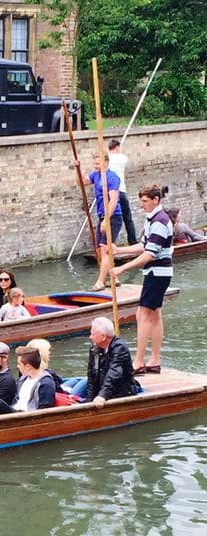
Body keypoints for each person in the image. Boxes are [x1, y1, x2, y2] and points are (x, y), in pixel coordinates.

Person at [110, 184, 173, 375]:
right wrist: (119, 250)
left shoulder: (160, 222)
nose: (142, 205)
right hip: (157, 274)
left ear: (156, 200)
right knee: (153, 315)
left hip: (157, 273)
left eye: (145, 201)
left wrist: (122, 268)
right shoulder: (153, 220)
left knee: (142, 315)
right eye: (141, 201)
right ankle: (154, 360)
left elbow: (149, 255)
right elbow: (143, 245)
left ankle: (139, 362)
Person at [77, 153, 123, 291]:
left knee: (105, 249)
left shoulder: (112, 177)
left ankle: (101, 281)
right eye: (94, 163)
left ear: (106, 163)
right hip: (103, 216)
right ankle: (114, 278)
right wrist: (77, 169)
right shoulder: (96, 175)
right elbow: (81, 183)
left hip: (113, 216)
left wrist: (107, 220)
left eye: (98, 163)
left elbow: (113, 201)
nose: (95, 166)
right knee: (98, 249)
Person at [0, 344, 56, 417]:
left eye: (19, 364)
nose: (17, 366)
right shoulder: (23, 379)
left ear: (28, 367)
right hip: (14, 411)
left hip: (27, 416)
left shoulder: (45, 383)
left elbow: (45, 412)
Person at [84, 316, 138, 409]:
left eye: (92, 334)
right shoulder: (94, 349)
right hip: (101, 386)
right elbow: (91, 376)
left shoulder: (119, 348)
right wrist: (89, 401)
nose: (90, 337)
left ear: (103, 336)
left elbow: (114, 373)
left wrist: (102, 395)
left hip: (120, 391)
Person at [108, 139, 137, 245]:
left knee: (112, 217)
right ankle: (133, 242)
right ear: (117, 147)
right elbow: (124, 158)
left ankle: (109, 243)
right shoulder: (123, 158)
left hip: (110, 193)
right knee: (127, 218)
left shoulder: (106, 159)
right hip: (121, 191)